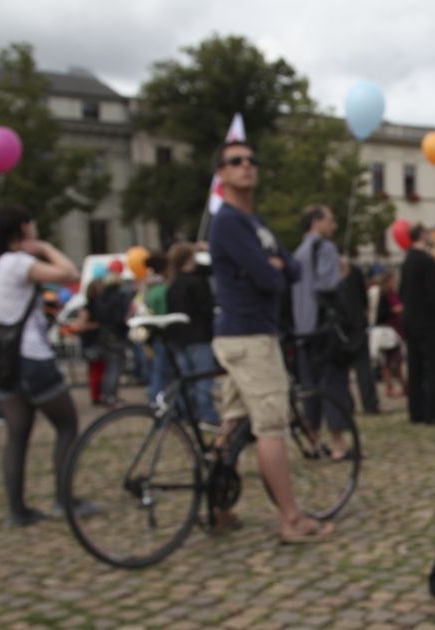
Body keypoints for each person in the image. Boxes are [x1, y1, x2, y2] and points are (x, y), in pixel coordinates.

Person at [207, 139, 333, 541]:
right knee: (271, 426)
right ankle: (292, 519)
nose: (247, 165)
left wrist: (274, 267)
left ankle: (217, 506)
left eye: (251, 159)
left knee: (234, 423)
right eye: (236, 161)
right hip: (249, 336)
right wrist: (272, 268)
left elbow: (291, 268)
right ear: (222, 174)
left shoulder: (254, 222)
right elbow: (271, 278)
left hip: (248, 334)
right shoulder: (227, 221)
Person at [0, 205, 89, 526]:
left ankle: (17, 509)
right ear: (22, 230)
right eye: (33, 227)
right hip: (32, 357)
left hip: (7, 362)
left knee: (17, 436)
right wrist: (43, 249)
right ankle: (63, 499)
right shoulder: (19, 263)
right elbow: (70, 273)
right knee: (67, 425)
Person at [292, 205, 353, 458]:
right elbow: (327, 285)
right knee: (332, 383)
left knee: (310, 385)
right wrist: (343, 274)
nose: (334, 226)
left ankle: (313, 440)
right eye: (330, 220)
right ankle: (338, 444)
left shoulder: (299, 251)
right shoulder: (325, 248)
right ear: (316, 222)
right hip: (322, 326)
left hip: (302, 327)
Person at [400, 223, 435, 426]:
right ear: (422, 235)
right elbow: (433, 294)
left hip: (410, 320)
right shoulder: (427, 261)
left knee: (414, 368)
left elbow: (403, 290)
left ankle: (416, 412)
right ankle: (433, 412)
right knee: (433, 367)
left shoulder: (407, 260)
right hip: (426, 322)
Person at [165, 242, 219, 425]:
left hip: (179, 338)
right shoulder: (196, 282)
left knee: (186, 379)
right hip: (198, 336)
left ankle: (189, 414)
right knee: (203, 378)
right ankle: (207, 414)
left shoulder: (174, 283)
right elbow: (206, 309)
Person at [339, 255, 380, 414]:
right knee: (362, 366)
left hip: (344, 325)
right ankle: (369, 403)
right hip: (354, 323)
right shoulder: (353, 272)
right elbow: (363, 298)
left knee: (347, 368)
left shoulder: (334, 273)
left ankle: (347, 403)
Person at [96, 260, 133, 406]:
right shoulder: (118, 297)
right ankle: (111, 397)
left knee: (110, 367)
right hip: (116, 334)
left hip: (104, 334)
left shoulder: (101, 297)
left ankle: (107, 395)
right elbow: (119, 318)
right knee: (115, 367)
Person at [372, 272, 406, 398]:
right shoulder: (384, 295)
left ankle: (402, 386)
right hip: (387, 333)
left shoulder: (394, 294)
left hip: (396, 331)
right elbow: (380, 314)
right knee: (389, 362)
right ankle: (392, 387)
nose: (394, 283)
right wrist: (394, 310)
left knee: (396, 361)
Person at [143, 252, 171, 402]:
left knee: (157, 370)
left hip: (153, 335)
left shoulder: (149, 287)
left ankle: (156, 399)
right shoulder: (162, 289)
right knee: (161, 372)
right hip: (164, 334)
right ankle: (156, 401)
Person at [72, 279, 104, 405]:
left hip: (93, 341)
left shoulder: (92, 306)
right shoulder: (88, 307)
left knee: (96, 370)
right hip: (93, 341)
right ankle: (96, 395)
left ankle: (97, 394)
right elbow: (82, 325)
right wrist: (98, 325)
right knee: (96, 370)